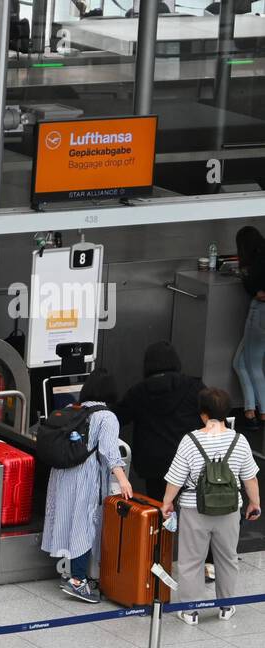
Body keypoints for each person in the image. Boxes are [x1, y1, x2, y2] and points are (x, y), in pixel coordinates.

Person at [162, 387, 261, 626]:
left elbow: (175, 478)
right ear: (226, 412)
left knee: (191, 560)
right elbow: (250, 477)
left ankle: (191, 611)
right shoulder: (239, 440)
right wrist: (254, 503)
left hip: (194, 508)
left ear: (203, 414)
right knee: (227, 558)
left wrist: (167, 503)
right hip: (229, 510)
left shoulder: (190, 440)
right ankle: (226, 607)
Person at [42, 369, 133, 603]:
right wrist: (122, 480)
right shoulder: (106, 416)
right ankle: (78, 580)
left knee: (66, 519)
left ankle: (68, 571)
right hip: (86, 476)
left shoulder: (74, 410)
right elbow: (110, 452)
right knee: (84, 523)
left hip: (62, 475)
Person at [115, 341, 204, 500]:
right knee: (189, 505)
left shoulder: (138, 392)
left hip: (153, 464)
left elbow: (118, 417)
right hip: (188, 460)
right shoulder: (194, 387)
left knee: (159, 508)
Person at [233, 226, 265, 430]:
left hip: (260, 313)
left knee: (253, 364)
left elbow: (254, 290)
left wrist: (243, 273)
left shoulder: (256, 264)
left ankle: (262, 413)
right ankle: (249, 411)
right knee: (239, 363)